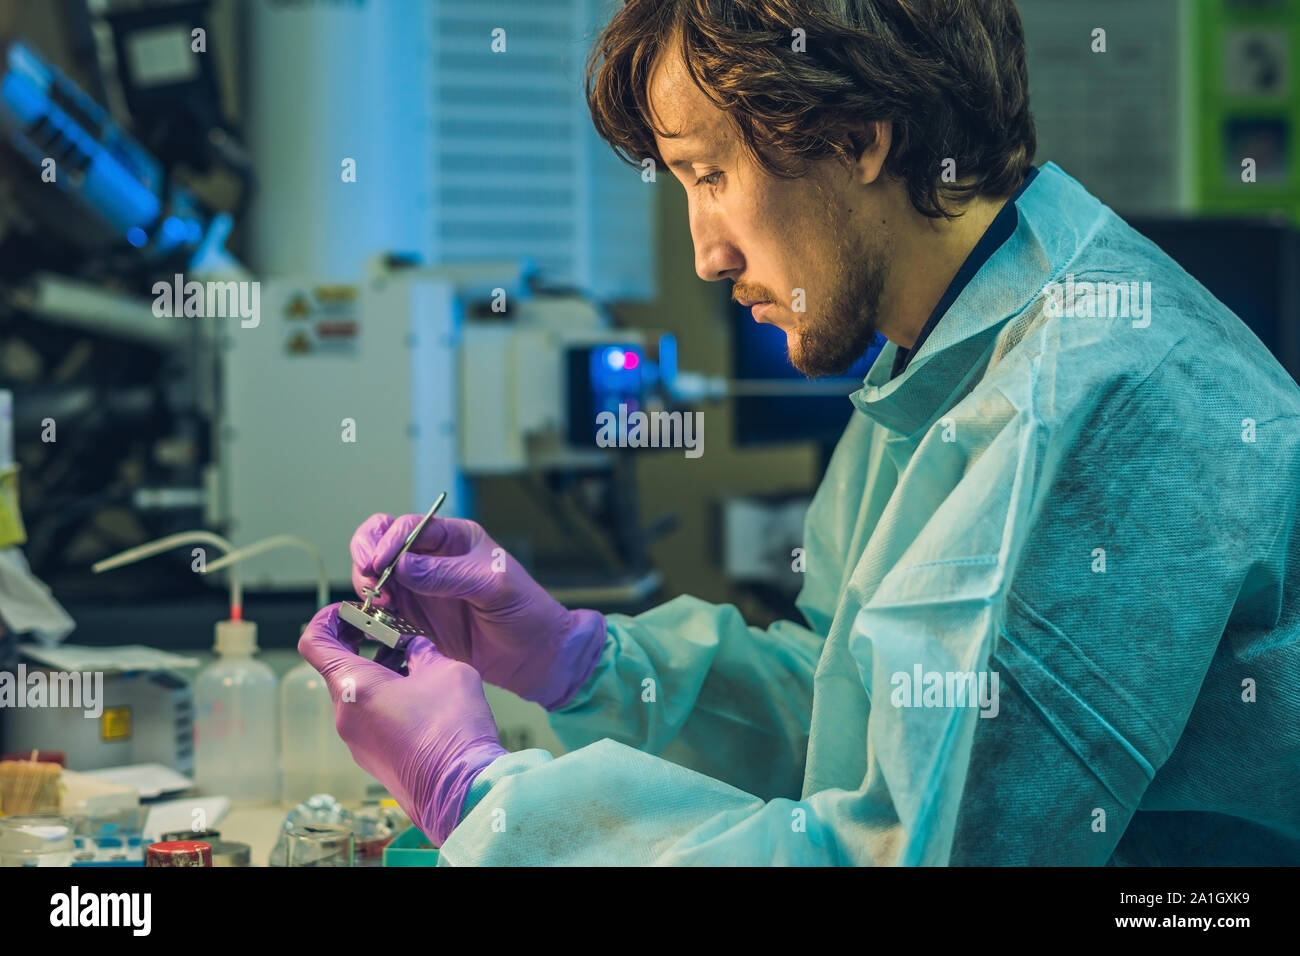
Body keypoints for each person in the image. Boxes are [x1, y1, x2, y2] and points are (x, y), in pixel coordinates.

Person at [298, 0, 1300, 865]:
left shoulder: (1086, 394)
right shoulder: (945, 352)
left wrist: (482, 795)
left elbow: (905, 852)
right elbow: (848, 713)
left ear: (857, 135)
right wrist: (578, 658)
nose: (704, 253)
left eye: (707, 173)